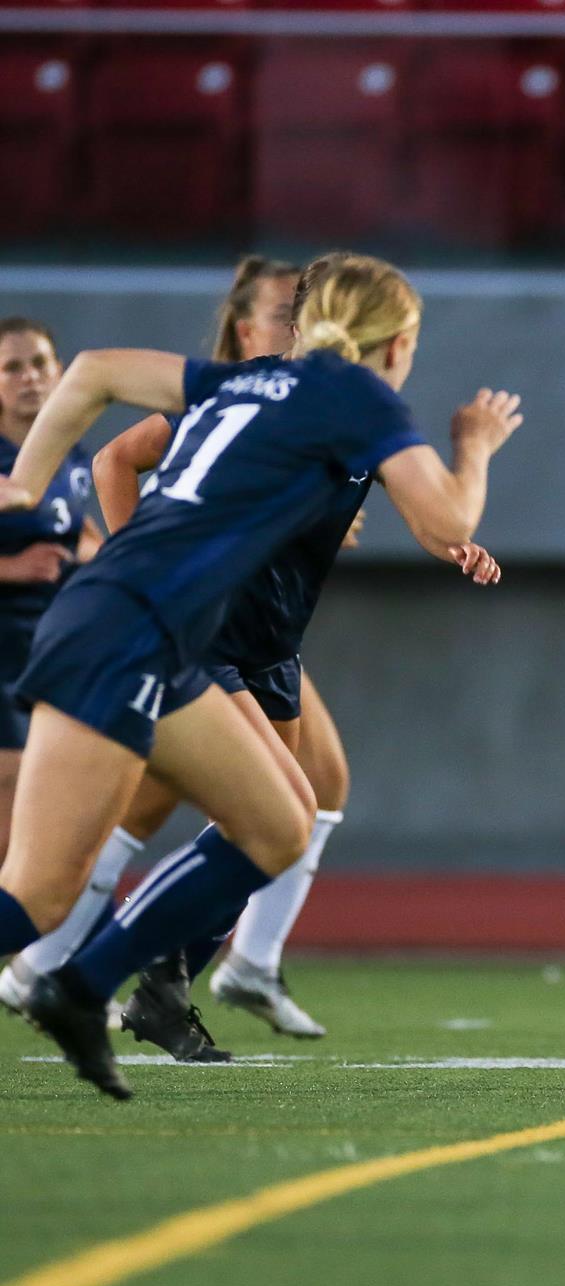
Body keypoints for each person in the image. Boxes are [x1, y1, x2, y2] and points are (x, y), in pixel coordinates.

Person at [0, 252, 519, 1098]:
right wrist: (476, 445)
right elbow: (452, 510)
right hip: (128, 631)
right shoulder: (357, 394)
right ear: (396, 341)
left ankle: (84, 987)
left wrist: (24, 483)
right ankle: (87, 981)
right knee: (33, 901)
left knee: (282, 820)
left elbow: (93, 370)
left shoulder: (252, 382)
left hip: (150, 632)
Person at [1, 257, 378, 1052]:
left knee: (280, 813)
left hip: (237, 634)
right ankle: (77, 969)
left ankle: (142, 975)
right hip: (176, 635)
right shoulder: (246, 391)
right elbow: (113, 433)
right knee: (247, 816)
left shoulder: (339, 414)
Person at [0, 318, 106, 863]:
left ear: (60, 371)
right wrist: (11, 566)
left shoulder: (73, 454)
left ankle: (44, 939)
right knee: (12, 790)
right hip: (4, 644)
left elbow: (81, 532)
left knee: (61, 800)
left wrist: (99, 557)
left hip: (57, 643)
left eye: (39, 363)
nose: (29, 377)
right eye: (12, 367)